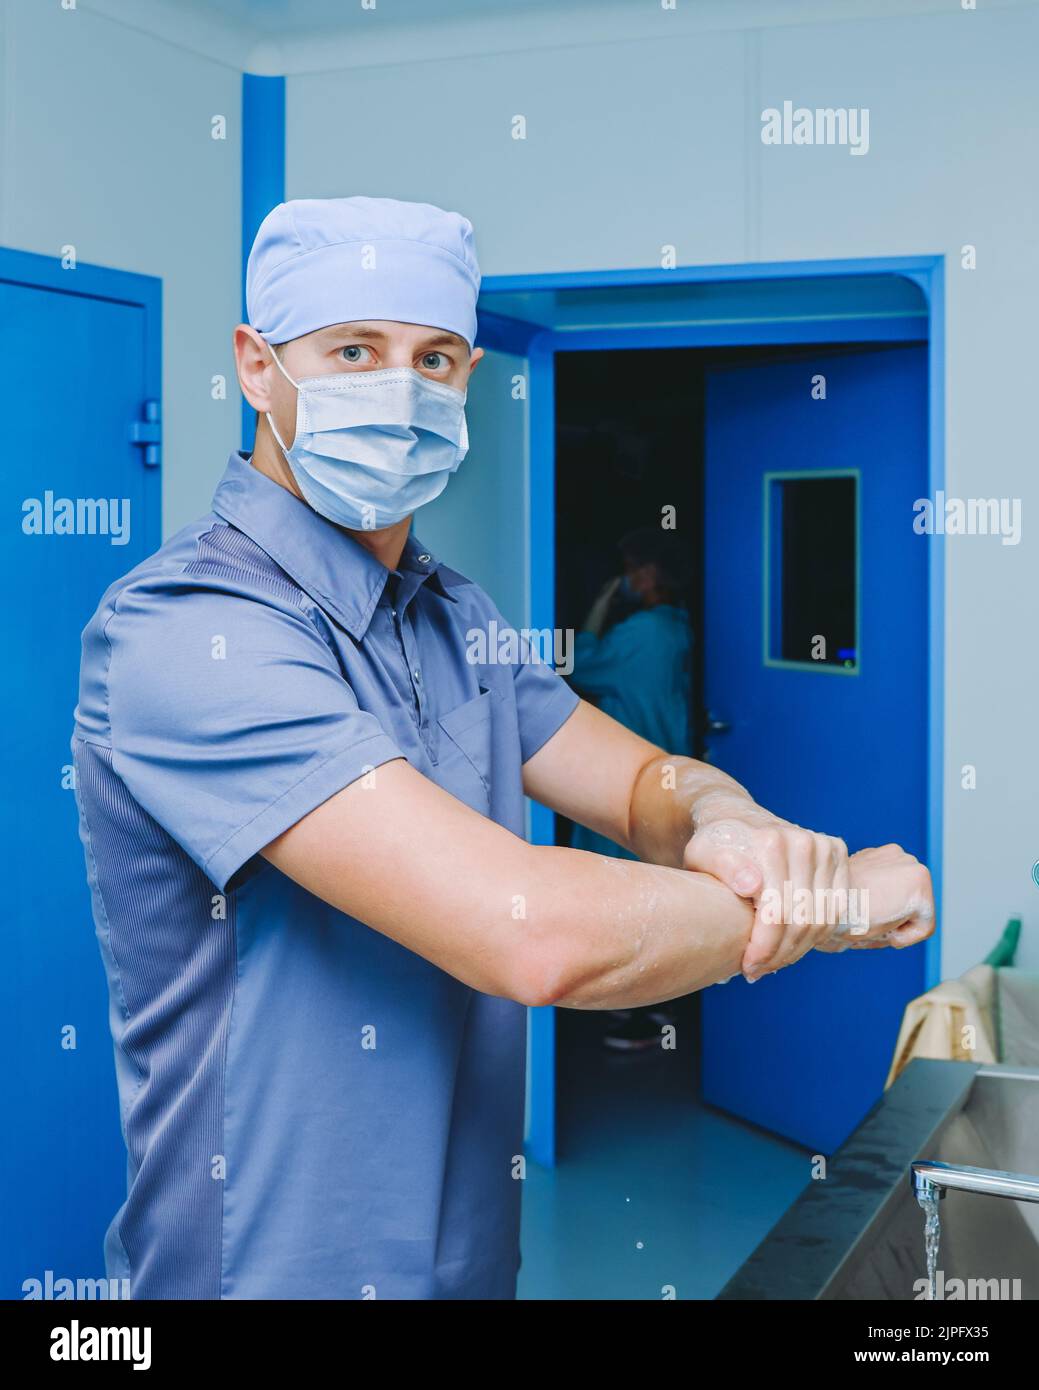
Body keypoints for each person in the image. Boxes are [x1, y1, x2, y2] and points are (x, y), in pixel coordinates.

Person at [71, 195, 934, 1301]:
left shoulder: (453, 613)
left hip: (465, 1260)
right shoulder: (189, 628)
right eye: (352, 350)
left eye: (434, 358)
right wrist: (832, 903)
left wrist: (726, 819)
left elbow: (635, 779)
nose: (400, 388)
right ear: (254, 366)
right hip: (268, 1269)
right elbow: (530, 937)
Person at [568, 527, 695, 1050]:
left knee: (621, 896)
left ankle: (637, 1014)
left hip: (628, 783)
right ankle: (649, 1011)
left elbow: (577, 662)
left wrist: (599, 604)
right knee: (658, 891)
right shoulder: (678, 627)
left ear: (653, 573)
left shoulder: (643, 633)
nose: (628, 578)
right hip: (665, 775)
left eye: (635, 568)